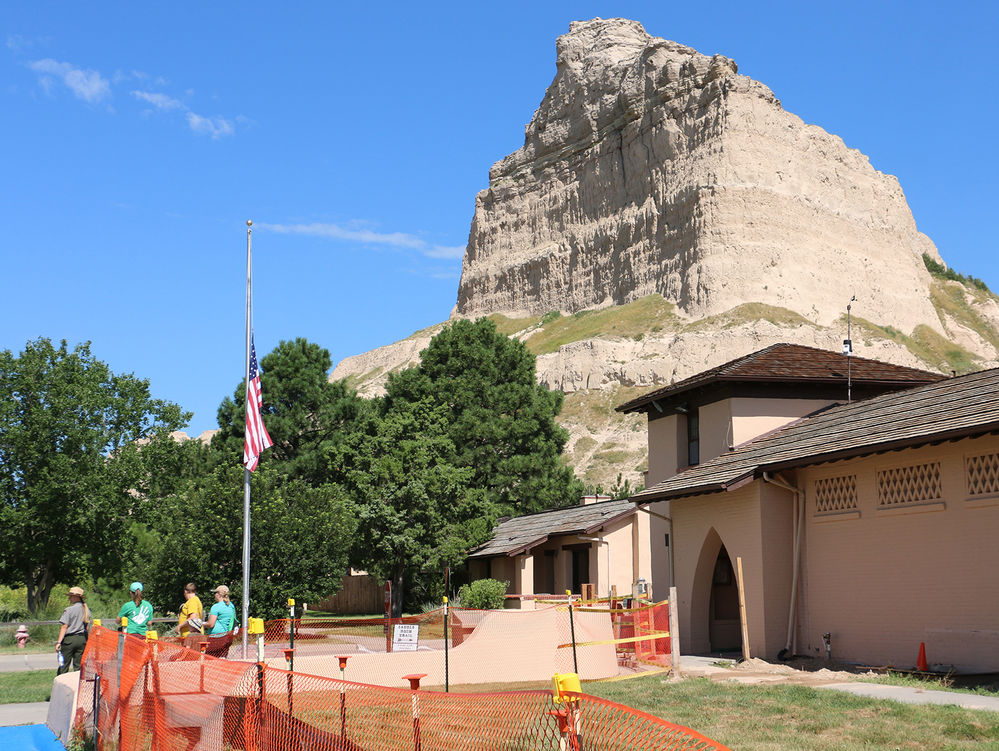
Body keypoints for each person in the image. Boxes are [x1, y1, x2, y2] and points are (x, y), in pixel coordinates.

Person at [55, 586, 90, 674]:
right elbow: (87, 627)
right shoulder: (86, 609)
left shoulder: (69, 610)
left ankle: (61, 683)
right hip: (82, 639)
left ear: (76, 597)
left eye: (71, 596)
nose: (69, 598)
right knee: (78, 666)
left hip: (69, 640)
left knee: (64, 665)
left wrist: (59, 642)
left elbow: (64, 626)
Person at [204, 585, 236, 657]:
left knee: (209, 660)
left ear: (219, 594)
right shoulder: (231, 606)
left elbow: (211, 624)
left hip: (216, 638)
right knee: (222, 659)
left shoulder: (216, 607)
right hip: (227, 637)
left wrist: (201, 624)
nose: (214, 595)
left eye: (215, 593)